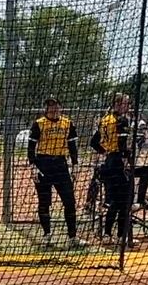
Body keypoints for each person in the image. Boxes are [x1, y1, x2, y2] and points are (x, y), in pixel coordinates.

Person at [28, 96, 84, 248]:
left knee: (70, 201)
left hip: (60, 164)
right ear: (46, 108)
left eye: (55, 106)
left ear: (60, 107)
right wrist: (32, 166)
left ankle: (72, 236)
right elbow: (31, 147)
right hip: (43, 164)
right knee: (44, 202)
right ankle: (47, 235)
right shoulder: (39, 124)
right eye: (49, 106)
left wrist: (75, 164)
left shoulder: (67, 123)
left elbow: (72, 146)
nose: (53, 109)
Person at [90, 92, 133, 245]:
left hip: (109, 162)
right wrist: (126, 158)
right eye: (125, 104)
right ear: (117, 104)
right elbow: (122, 143)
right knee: (123, 200)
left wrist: (105, 151)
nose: (127, 107)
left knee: (113, 199)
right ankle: (120, 235)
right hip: (118, 162)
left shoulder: (104, 119)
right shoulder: (122, 120)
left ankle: (108, 233)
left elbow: (94, 142)